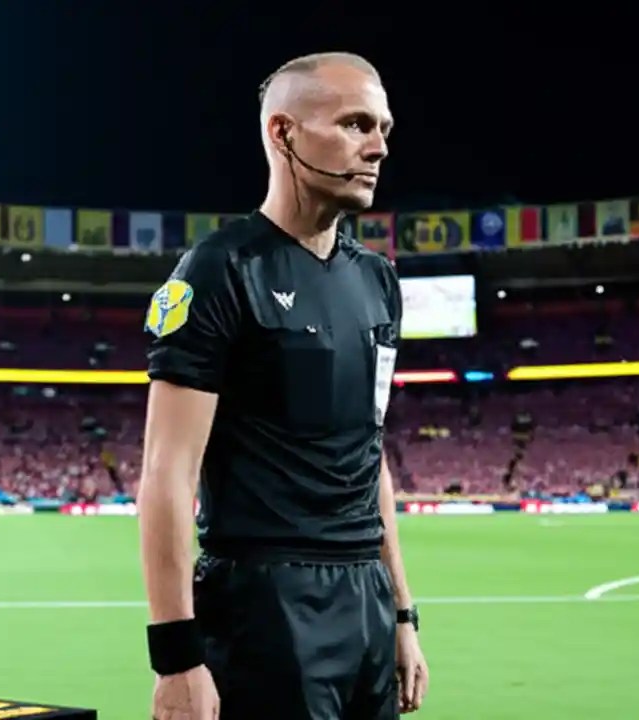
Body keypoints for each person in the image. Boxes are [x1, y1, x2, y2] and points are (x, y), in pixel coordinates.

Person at [137, 52, 429, 719]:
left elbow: (369, 456)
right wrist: (177, 656)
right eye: (355, 124)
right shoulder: (218, 269)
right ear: (283, 132)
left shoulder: (378, 281)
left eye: (383, 127)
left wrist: (403, 616)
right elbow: (167, 469)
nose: (378, 147)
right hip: (264, 604)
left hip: (368, 602)